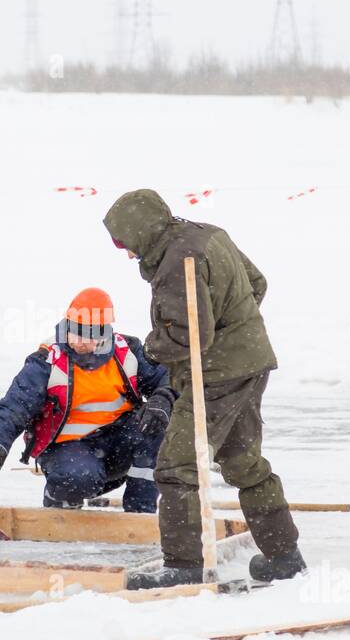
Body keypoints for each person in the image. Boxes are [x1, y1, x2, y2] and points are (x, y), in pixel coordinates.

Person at [102, 189, 307, 588]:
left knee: (178, 466)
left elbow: (185, 336)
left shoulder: (177, 262)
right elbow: (255, 283)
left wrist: (151, 345)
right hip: (251, 363)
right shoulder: (208, 234)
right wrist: (238, 330)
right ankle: (284, 555)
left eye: (125, 243)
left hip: (214, 375)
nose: (127, 254)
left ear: (141, 230)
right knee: (243, 461)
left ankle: (184, 566)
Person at [0, 288, 176, 513]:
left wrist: (162, 400)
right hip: (67, 450)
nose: (80, 342)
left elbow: (170, 379)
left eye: (89, 334)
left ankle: (140, 511)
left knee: (157, 426)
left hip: (116, 444)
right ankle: (60, 501)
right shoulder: (47, 362)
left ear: (105, 333)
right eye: (74, 332)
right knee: (79, 477)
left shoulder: (128, 353)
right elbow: (10, 412)